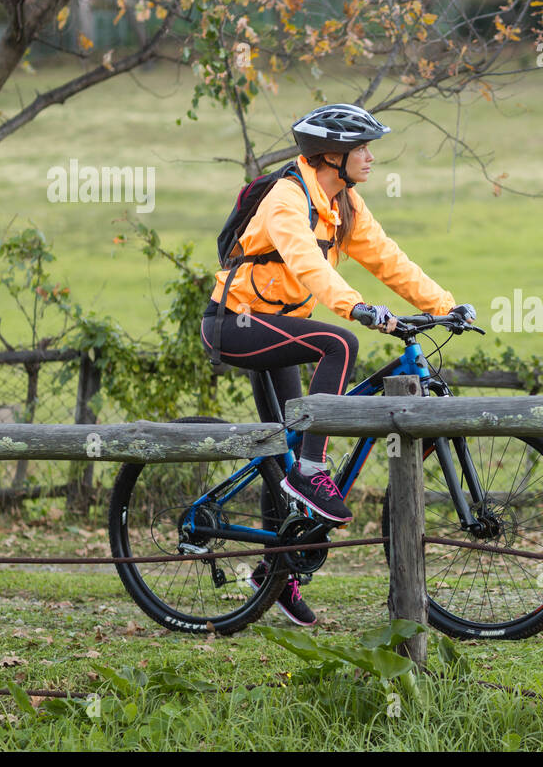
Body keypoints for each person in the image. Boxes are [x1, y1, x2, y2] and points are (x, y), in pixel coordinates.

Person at [199, 103, 476, 625]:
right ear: (332, 154)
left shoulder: (343, 204)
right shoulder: (288, 197)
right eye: (363, 148)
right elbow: (306, 264)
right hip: (233, 324)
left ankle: (275, 574)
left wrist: (444, 305)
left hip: (278, 326)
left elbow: (387, 258)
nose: (370, 158)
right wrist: (359, 309)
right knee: (339, 343)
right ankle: (312, 470)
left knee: (280, 445)